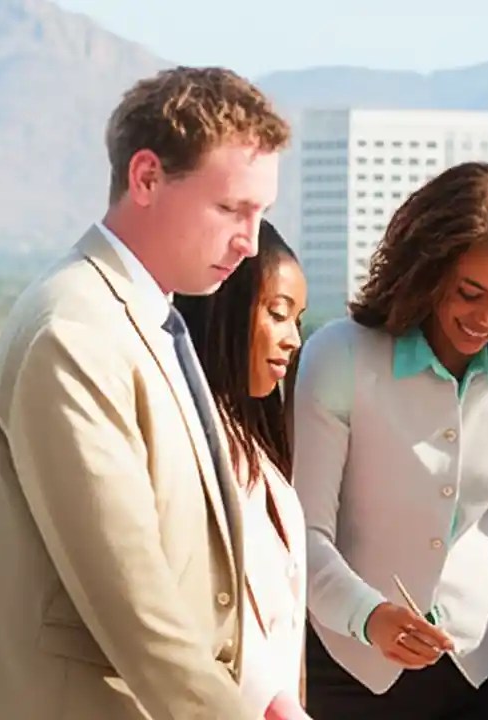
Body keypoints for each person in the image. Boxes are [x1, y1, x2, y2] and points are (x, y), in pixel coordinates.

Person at [0, 66, 289, 719]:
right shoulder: (74, 331)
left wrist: (264, 695)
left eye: (260, 213)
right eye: (231, 208)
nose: (250, 240)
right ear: (146, 177)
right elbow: (132, 597)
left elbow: (192, 570)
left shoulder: (147, 318)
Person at [292, 161, 488, 719]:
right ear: (425, 272)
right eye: (468, 292)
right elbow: (303, 532)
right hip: (351, 657)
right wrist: (366, 615)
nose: (487, 317)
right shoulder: (339, 356)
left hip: (487, 662)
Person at [174, 219, 310, 720]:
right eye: (278, 314)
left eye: (297, 319)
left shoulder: (256, 447)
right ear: (225, 312)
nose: (293, 338)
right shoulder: (182, 439)